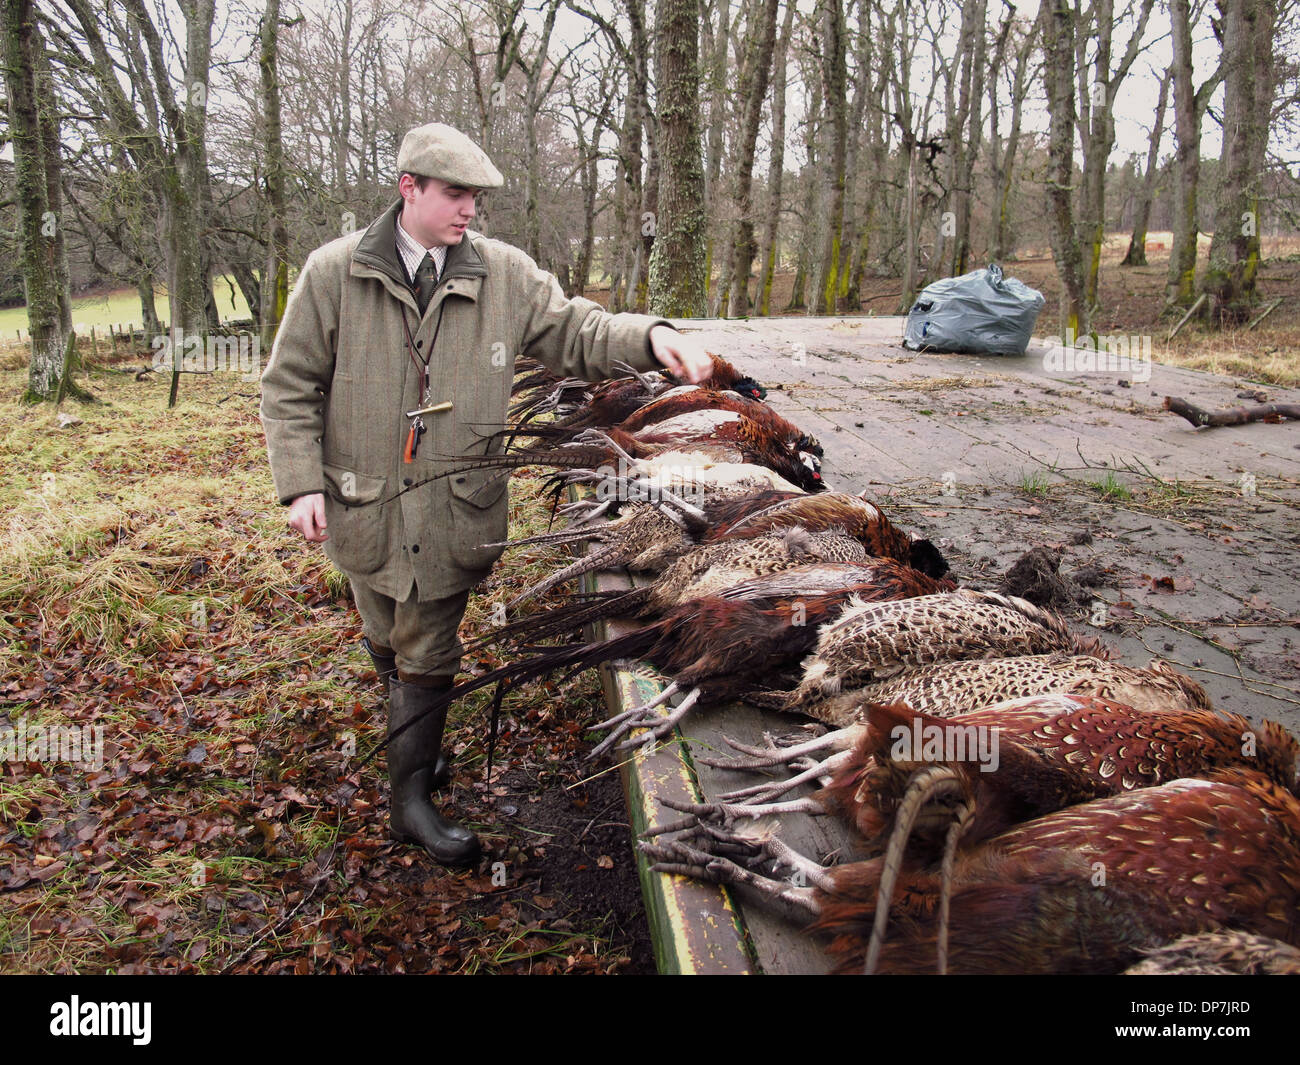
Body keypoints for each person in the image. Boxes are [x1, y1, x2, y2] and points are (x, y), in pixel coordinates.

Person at [259, 122, 711, 868]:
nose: (470, 208)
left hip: (452, 510)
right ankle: (417, 735)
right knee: (382, 622)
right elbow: (289, 386)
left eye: (477, 196)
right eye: (455, 193)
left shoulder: (502, 273)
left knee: (429, 638)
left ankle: (410, 803)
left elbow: (578, 329)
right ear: (409, 188)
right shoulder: (332, 272)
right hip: (362, 504)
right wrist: (301, 482)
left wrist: (653, 336)